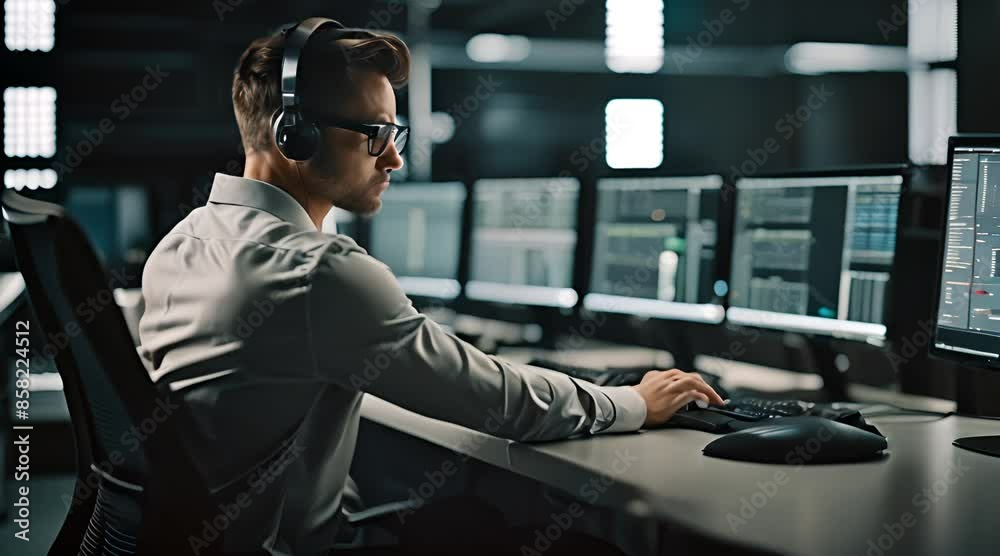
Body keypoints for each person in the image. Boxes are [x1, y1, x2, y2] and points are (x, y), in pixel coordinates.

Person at [137, 17, 724, 555]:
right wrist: (635, 402)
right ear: (295, 135)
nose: (393, 157)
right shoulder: (315, 271)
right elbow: (501, 404)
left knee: (469, 513)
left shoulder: (181, 243)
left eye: (396, 131)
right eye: (374, 134)